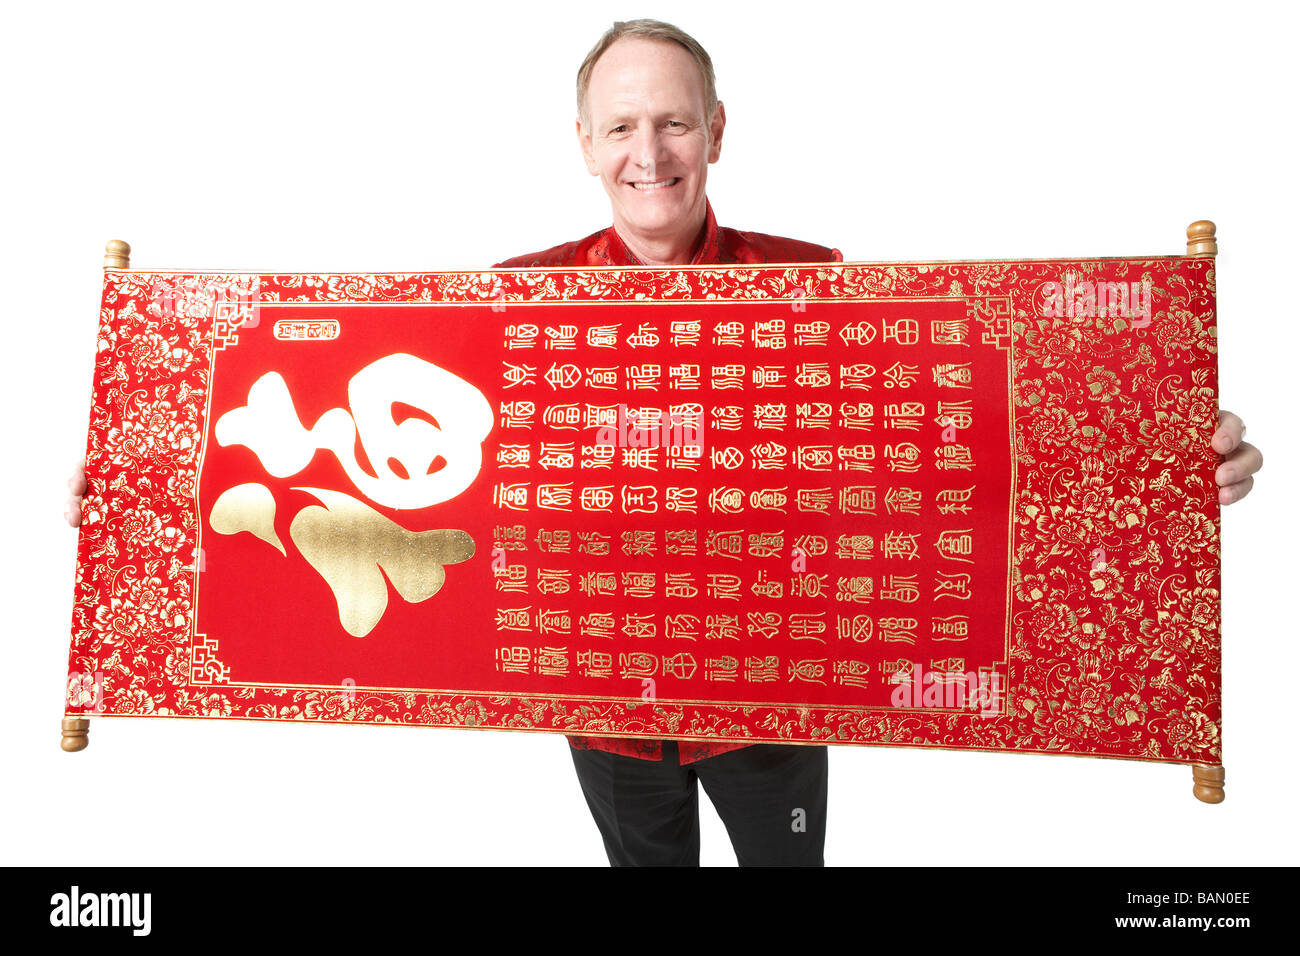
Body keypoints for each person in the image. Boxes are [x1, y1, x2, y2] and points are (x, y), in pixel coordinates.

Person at [64, 18, 1265, 867]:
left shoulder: (817, 288)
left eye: (675, 122)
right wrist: (151, 477)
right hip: (600, 707)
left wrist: (1156, 461)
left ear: (717, 130)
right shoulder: (507, 305)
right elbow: (376, 479)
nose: (650, 154)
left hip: (771, 700)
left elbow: (958, 451)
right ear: (585, 143)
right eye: (623, 126)